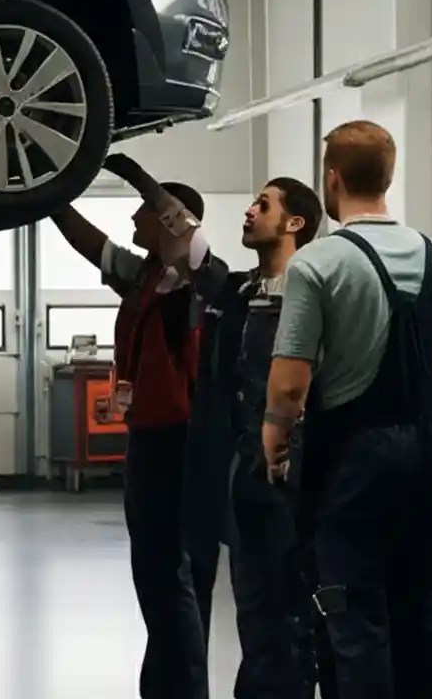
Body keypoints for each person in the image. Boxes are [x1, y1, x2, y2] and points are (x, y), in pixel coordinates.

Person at [263, 119, 432, 699]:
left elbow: (290, 384)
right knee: (425, 612)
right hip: (430, 458)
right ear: (389, 176)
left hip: (353, 462)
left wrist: (274, 438)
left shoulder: (318, 262)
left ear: (331, 179)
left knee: (352, 615)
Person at [158, 174, 336, 698]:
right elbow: (185, 240)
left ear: (294, 223)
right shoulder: (238, 291)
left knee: (292, 604)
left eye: (263, 205)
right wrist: (140, 182)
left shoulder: (316, 292)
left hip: (295, 473)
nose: (249, 211)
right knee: (253, 602)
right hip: (242, 471)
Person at [47, 166, 208, 699]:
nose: (133, 219)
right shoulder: (145, 277)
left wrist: (140, 178)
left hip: (177, 440)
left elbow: (187, 235)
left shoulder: (194, 285)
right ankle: (162, 683)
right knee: (153, 571)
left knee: (168, 571)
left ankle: (183, 689)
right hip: (146, 436)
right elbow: (90, 243)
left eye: (143, 212)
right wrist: (47, 198)